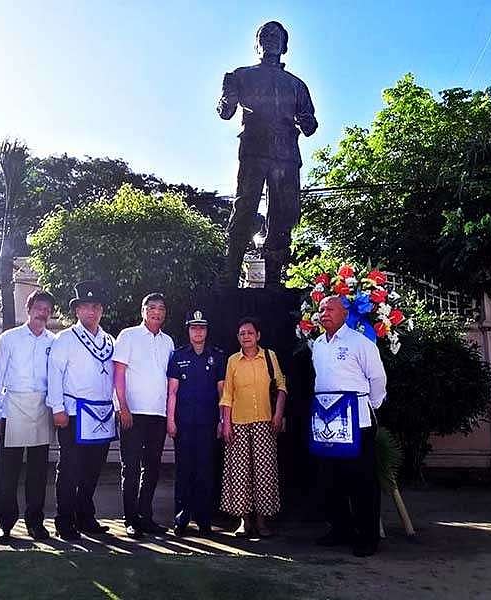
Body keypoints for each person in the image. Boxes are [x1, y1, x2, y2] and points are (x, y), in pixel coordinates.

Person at [217, 21, 318, 288]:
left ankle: (274, 279)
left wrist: (306, 121)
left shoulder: (296, 85)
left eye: (277, 37)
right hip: (254, 149)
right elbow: (226, 112)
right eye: (266, 35)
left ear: (285, 46)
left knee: (283, 216)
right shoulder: (242, 75)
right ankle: (230, 275)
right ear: (257, 43)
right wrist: (227, 96)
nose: (271, 40)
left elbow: (310, 124)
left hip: (286, 154)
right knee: (245, 208)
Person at [312, 295, 387, 557]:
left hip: (357, 421)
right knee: (331, 479)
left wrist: (371, 406)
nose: (324, 313)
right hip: (327, 421)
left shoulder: (360, 342)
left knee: (362, 481)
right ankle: (340, 528)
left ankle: (368, 537)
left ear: (345, 313)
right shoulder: (318, 344)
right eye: (321, 309)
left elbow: (377, 378)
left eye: (330, 309)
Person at [47, 281, 117, 540]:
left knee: (93, 470)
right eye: (85, 307)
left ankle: (85, 517)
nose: (91, 311)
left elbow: (115, 378)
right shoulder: (65, 339)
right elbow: (54, 374)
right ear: (77, 311)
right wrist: (57, 408)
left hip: (102, 415)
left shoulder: (109, 340)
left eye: (96, 306)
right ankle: (63, 521)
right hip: (74, 413)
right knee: (69, 469)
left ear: (101, 310)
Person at [0, 289, 56, 543]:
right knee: (8, 472)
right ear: (28, 309)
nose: (43, 312)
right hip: (13, 406)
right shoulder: (10, 338)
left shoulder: (53, 341)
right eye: (39, 307)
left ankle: (35, 523)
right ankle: (4, 524)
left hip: (42, 407)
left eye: (47, 309)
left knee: (38, 473)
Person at [113, 292, 175, 538]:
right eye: (152, 307)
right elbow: (118, 374)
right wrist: (122, 407)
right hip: (133, 413)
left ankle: (145, 516)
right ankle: (130, 519)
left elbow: (171, 382)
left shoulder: (168, 342)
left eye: (161, 308)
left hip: (157, 414)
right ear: (143, 311)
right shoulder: (128, 336)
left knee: (152, 467)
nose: (156, 312)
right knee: (130, 467)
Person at [219, 317, 286, 537]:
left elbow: (281, 387)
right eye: (241, 333)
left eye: (249, 332)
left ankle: (262, 522)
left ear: (258, 335)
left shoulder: (269, 357)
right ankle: (243, 522)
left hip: (265, 423)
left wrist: (278, 414)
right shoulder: (232, 361)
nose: (246, 336)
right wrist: (225, 423)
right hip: (238, 423)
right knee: (240, 475)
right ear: (238, 338)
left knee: (264, 474)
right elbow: (227, 394)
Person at [166, 310, 226, 537]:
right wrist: (170, 420)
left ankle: (203, 519)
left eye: (201, 328)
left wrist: (222, 420)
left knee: (205, 471)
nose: (198, 331)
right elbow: (172, 391)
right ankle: (181, 518)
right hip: (184, 424)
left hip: (208, 423)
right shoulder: (177, 356)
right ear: (188, 330)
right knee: (184, 471)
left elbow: (223, 393)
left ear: (206, 331)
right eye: (193, 328)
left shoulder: (217, 356)